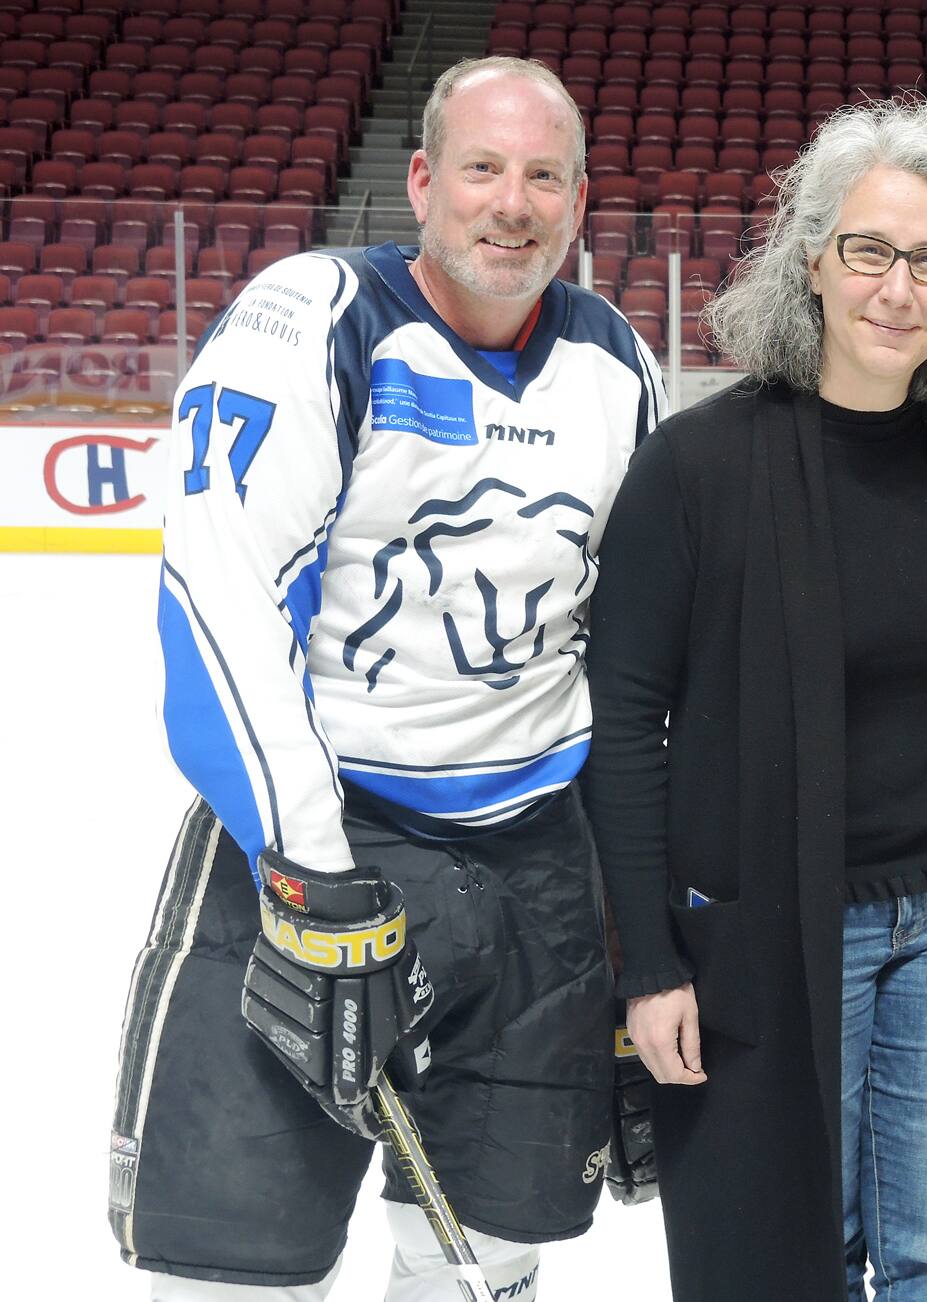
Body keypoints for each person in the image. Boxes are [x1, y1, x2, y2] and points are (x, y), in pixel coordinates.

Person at [108, 57, 666, 1300]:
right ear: (420, 181)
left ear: (578, 202)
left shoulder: (615, 361)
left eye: (542, 177)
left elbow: (631, 639)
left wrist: (638, 904)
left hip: (535, 868)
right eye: (480, 168)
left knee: (490, 1247)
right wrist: (311, 873)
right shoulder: (315, 314)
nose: (509, 204)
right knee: (234, 1255)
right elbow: (220, 600)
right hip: (322, 844)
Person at [582, 99, 927, 1301]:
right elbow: (623, 724)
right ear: (810, 261)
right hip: (769, 934)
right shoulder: (696, 466)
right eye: (867, 251)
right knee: (787, 1258)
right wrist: (646, 964)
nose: (895, 288)